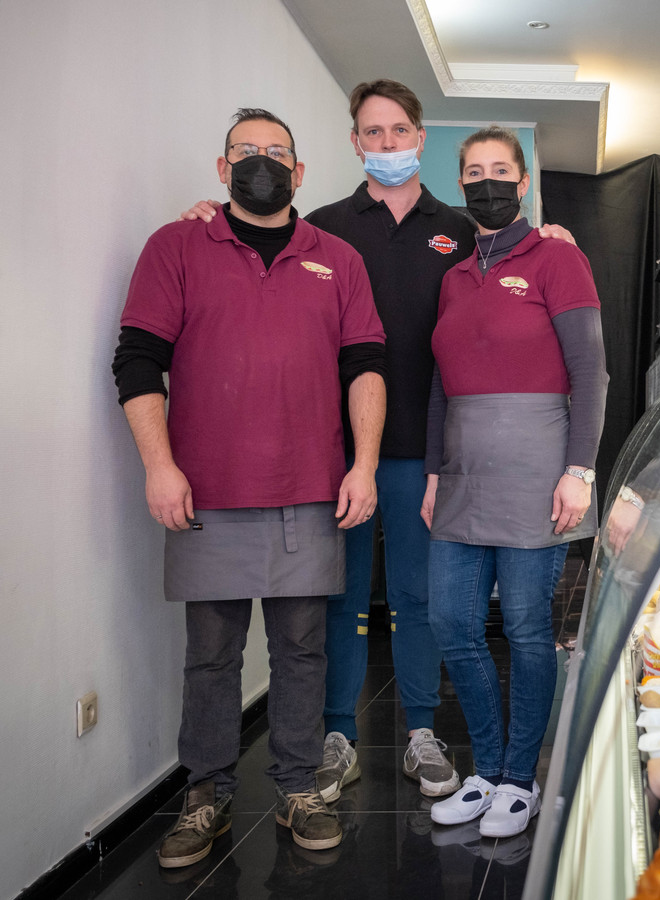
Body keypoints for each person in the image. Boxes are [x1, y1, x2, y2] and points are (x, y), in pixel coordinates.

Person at [180, 80, 576, 803]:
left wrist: (552, 234)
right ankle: (339, 733)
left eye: (400, 131)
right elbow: (249, 231)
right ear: (354, 142)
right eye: (373, 132)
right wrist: (209, 214)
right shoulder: (321, 229)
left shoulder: (463, 229)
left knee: (419, 596)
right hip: (338, 454)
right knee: (337, 597)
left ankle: (421, 731)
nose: (387, 143)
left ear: (422, 140)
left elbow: (529, 272)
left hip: (431, 454)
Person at [112, 108, 387, 866]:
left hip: (310, 488)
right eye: (246, 152)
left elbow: (366, 364)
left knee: (302, 650)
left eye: (277, 153)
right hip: (206, 494)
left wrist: (362, 464)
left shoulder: (337, 259)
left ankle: (298, 787)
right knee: (211, 656)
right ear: (222, 165)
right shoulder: (176, 246)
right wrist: (158, 464)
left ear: (300, 173)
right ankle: (206, 796)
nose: (261, 162)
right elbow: (137, 359)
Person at [422, 126, 607, 838]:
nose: (488, 182)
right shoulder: (453, 277)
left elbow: (591, 372)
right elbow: (441, 385)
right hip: (463, 472)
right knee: (452, 623)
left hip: (539, 466)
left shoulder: (558, 257)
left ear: (523, 182)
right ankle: (489, 769)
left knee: (529, 629)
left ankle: (521, 777)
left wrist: (579, 470)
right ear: (461, 184)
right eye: (475, 171)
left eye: (502, 170)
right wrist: (436, 473)